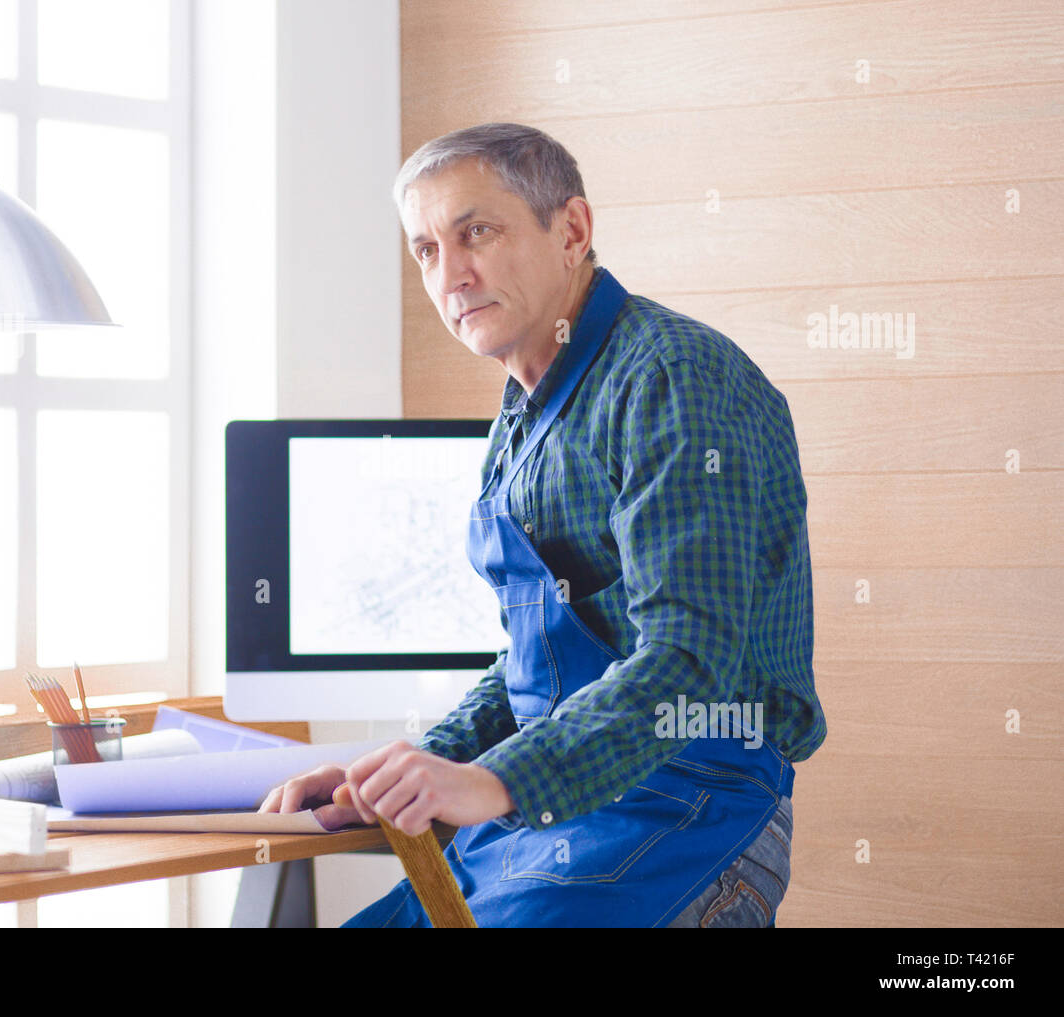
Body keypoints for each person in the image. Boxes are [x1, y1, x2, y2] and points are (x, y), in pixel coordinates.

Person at [259, 122, 827, 927]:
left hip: (689, 809)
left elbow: (688, 664)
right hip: (540, 823)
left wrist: (499, 783)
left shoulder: (673, 378)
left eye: (476, 232)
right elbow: (538, 666)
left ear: (572, 231)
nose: (451, 275)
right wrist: (412, 767)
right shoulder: (523, 416)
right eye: (425, 250)